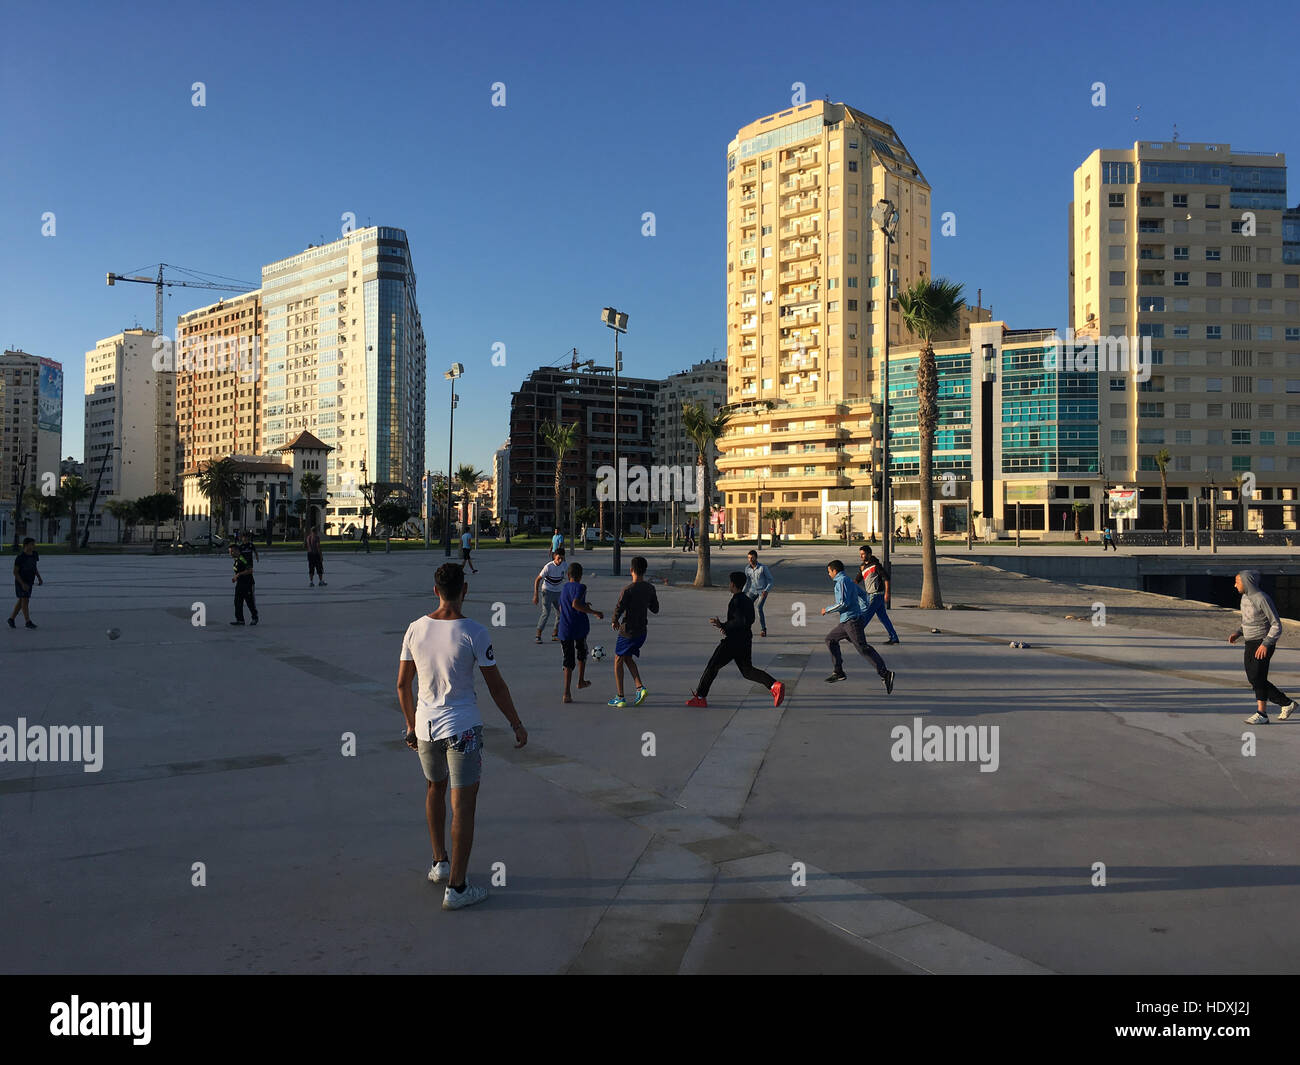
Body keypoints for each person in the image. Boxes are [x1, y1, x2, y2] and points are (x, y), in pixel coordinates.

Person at [397, 562, 527, 911]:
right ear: (464, 590)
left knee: (434, 789)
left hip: (425, 728)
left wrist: (410, 725)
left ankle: (440, 863)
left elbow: (402, 685)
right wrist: (516, 723)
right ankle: (457, 887)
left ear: (435, 590)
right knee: (463, 806)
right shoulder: (474, 632)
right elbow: (495, 685)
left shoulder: (414, 629)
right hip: (463, 729)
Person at [687, 572, 785, 709]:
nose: (729, 585)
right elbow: (748, 620)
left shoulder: (735, 600)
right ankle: (774, 685)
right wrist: (727, 627)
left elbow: (740, 620)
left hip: (733, 642)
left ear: (733, 584)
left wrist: (724, 625)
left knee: (712, 665)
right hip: (745, 640)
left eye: (730, 583)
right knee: (747, 671)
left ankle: (700, 697)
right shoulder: (747, 600)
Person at [1230, 570, 1298, 725]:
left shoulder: (1262, 598)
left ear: (1247, 582)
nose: (1235, 585)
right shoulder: (1245, 598)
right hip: (1249, 641)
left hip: (1262, 642)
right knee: (1253, 678)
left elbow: (1276, 624)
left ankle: (1262, 713)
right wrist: (1238, 632)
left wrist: (1266, 644)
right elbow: (1248, 620)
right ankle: (1287, 703)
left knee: (1258, 678)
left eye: (1237, 582)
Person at [821, 560, 893, 693]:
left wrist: (828, 609)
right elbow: (863, 595)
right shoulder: (849, 581)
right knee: (830, 639)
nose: (829, 574)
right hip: (847, 622)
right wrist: (863, 610)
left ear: (835, 571)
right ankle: (838, 672)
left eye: (829, 572)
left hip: (851, 622)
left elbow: (843, 603)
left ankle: (885, 673)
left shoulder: (841, 582)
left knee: (863, 649)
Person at [609, 555, 659, 708]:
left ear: (631, 570)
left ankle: (620, 697)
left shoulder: (628, 590)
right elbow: (655, 609)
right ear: (645, 570)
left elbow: (619, 607)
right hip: (642, 632)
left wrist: (614, 620)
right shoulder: (650, 588)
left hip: (628, 631)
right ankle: (640, 688)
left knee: (618, 659)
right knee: (627, 657)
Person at [558, 562, 603, 702]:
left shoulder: (565, 587)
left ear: (568, 575)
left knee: (568, 660)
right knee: (581, 653)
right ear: (581, 576)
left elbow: (562, 606)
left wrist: (584, 605)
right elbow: (575, 604)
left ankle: (566, 693)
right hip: (578, 628)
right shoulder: (581, 587)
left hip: (564, 629)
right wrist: (594, 612)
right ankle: (581, 681)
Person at [854, 545, 900, 644]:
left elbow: (886, 578)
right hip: (871, 595)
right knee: (884, 618)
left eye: (863, 554)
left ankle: (856, 637)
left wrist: (887, 593)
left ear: (869, 554)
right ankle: (894, 637)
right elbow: (857, 580)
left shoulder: (876, 566)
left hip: (875, 595)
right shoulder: (863, 567)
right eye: (860, 554)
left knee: (865, 616)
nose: (861, 556)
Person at [532, 548, 566, 643]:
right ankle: (538, 635)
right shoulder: (548, 566)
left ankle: (555, 634)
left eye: (562, 559)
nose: (560, 561)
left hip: (558, 593)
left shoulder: (564, 565)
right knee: (546, 613)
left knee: (561, 613)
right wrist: (536, 595)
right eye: (558, 558)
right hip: (547, 591)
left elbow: (569, 577)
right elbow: (537, 579)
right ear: (554, 556)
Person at [8, 537, 42, 629]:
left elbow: (34, 567)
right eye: (32, 544)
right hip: (21, 582)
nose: (34, 546)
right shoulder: (20, 558)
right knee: (25, 600)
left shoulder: (34, 554)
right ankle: (28, 621)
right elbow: (15, 572)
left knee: (21, 601)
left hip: (30, 581)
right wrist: (22, 583)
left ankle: (11, 619)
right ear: (26, 545)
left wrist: (39, 577)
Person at [744, 549, 774, 637]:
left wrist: (766, 590)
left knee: (758, 608)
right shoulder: (747, 569)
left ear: (756, 558)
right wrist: (741, 592)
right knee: (746, 607)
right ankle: (746, 627)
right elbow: (747, 582)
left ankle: (763, 629)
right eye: (748, 558)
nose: (750, 560)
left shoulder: (763, 568)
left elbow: (771, 580)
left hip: (762, 592)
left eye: (752, 558)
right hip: (752, 591)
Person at [229, 543, 259, 626]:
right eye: (229, 552)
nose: (230, 553)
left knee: (250, 602)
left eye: (232, 551)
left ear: (237, 551)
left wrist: (238, 575)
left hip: (248, 584)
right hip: (240, 584)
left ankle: (254, 617)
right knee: (237, 602)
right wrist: (236, 577)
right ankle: (240, 620)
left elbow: (250, 570)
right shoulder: (236, 559)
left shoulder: (243, 558)